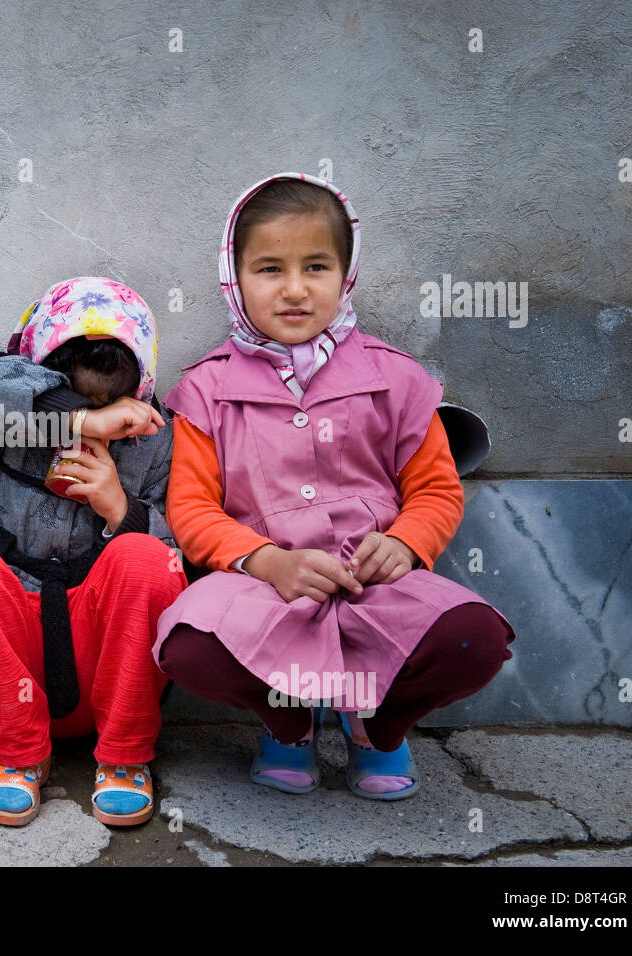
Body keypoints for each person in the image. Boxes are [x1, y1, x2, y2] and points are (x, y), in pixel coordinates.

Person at [154, 174, 515, 800]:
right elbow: (189, 507)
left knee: (475, 639)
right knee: (186, 643)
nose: (294, 289)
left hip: (378, 588)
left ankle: (376, 723)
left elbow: (435, 488)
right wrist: (265, 560)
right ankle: (286, 720)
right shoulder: (206, 391)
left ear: (345, 275)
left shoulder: (395, 378)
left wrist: (404, 545)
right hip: (266, 591)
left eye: (315, 266)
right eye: (269, 268)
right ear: (234, 279)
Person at [0, 277, 187, 826]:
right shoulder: (1, 428)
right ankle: (17, 753)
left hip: (103, 660)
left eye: (115, 405)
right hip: (7, 666)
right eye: (83, 401)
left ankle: (126, 754)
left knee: (149, 559)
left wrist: (118, 507)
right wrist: (77, 419)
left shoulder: (156, 438)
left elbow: (177, 556)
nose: (102, 422)